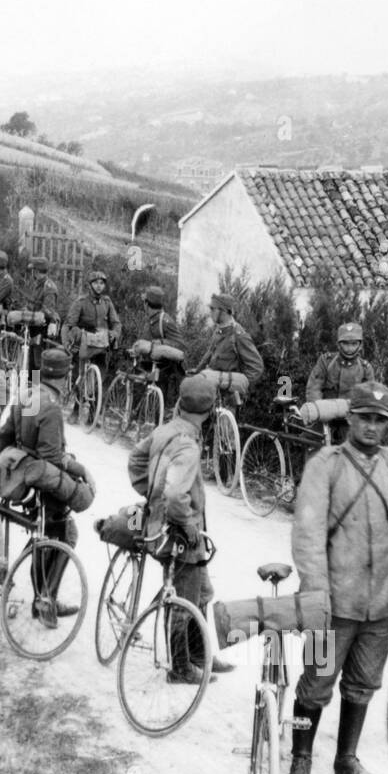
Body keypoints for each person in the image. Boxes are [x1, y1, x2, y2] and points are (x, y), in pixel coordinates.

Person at [287, 381, 388, 774]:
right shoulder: (324, 464)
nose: (371, 427)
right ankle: (301, 758)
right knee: (314, 683)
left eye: (380, 420)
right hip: (329, 601)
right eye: (364, 417)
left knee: (364, 682)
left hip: (380, 603)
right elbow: (307, 534)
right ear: (350, 417)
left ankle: (346, 757)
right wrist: (316, 592)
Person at [128, 374, 230, 684]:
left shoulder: (165, 431)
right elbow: (175, 493)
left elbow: (135, 460)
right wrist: (184, 522)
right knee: (183, 599)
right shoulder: (187, 445)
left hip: (166, 524)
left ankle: (198, 654)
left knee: (203, 590)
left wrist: (150, 493)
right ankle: (179, 666)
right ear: (210, 411)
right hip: (179, 533)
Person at [0, 347, 89, 627]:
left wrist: (14, 470)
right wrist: (80, 470)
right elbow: (52, 459)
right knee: (66, 533)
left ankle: (43, 595)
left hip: (23, 475)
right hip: (41, 479)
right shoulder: (50, 405)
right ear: (66, 375)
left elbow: (6, 436)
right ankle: (45, 600)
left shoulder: (28, 395)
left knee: (44, 534)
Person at [62, 270, 121, 419]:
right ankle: (75, 409)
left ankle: (93, 415)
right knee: (79, 375)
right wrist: (77, 335)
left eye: (102, 283)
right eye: (96, 283)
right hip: (83, 344)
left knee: (99, 378)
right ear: (90, 285)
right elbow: (70, 323)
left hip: (100, 345)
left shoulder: (107, 303)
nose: (99, 286)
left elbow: (116, 323)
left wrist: (114, 333)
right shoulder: (81, 302)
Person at [305, 322, 375, 443]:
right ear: (339, 344)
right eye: (345, 343)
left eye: (354, 344)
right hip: (324, 420)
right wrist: (319, 411)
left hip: (350, 424)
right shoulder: (326, 362)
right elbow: (314, 388)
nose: (349, 348)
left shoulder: (365, 369)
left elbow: (368, 400)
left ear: (360, 345)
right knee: (313, 450)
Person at [191, 292, 263, 391]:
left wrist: (237, 384)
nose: (210, 312)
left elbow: (256, 367)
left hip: (227, 393)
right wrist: (198, 370)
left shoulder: (238, 335)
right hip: (213, 386)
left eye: (212, 309)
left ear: (223, 311)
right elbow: (210, 352)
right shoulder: (219, 330)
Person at [138, 284, 186, 412]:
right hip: (149, 365)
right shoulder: (150, 320)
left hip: (164, 370)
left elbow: (181, 345)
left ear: (147, 304)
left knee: (158, 404)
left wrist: (161, 342)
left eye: (144, 302)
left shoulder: (165, 321)